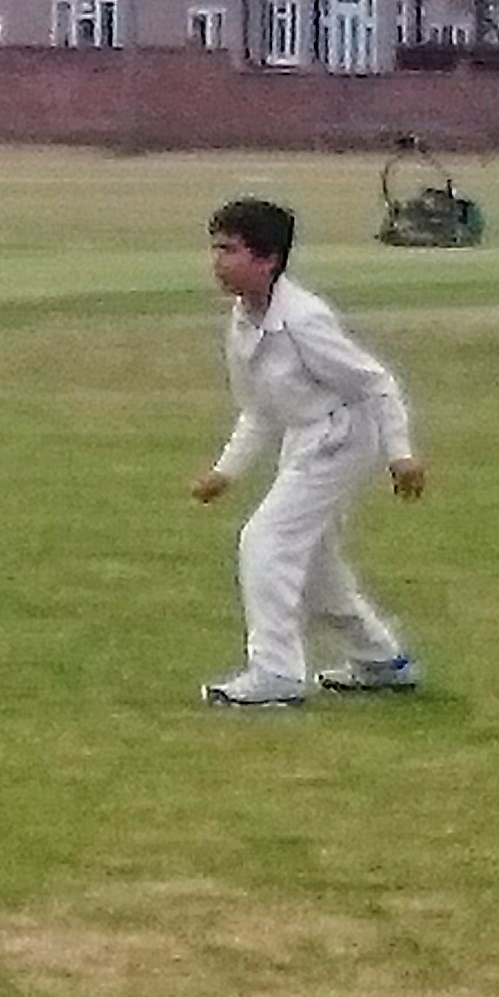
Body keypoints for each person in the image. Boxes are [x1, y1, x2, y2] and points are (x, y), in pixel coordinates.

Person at [189, 196, 426, 710]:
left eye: (229, 249)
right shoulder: (242, 319)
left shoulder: (304, 319)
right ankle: (382, 661)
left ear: (267, 259)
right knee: (318, 570)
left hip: (340, 438)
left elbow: (376, 383)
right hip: (307, 439)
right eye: (214, 248)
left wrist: (400, 454)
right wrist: (224, 473)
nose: (217, 261)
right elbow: (259, 409)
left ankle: (275, 673)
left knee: (265, 542)